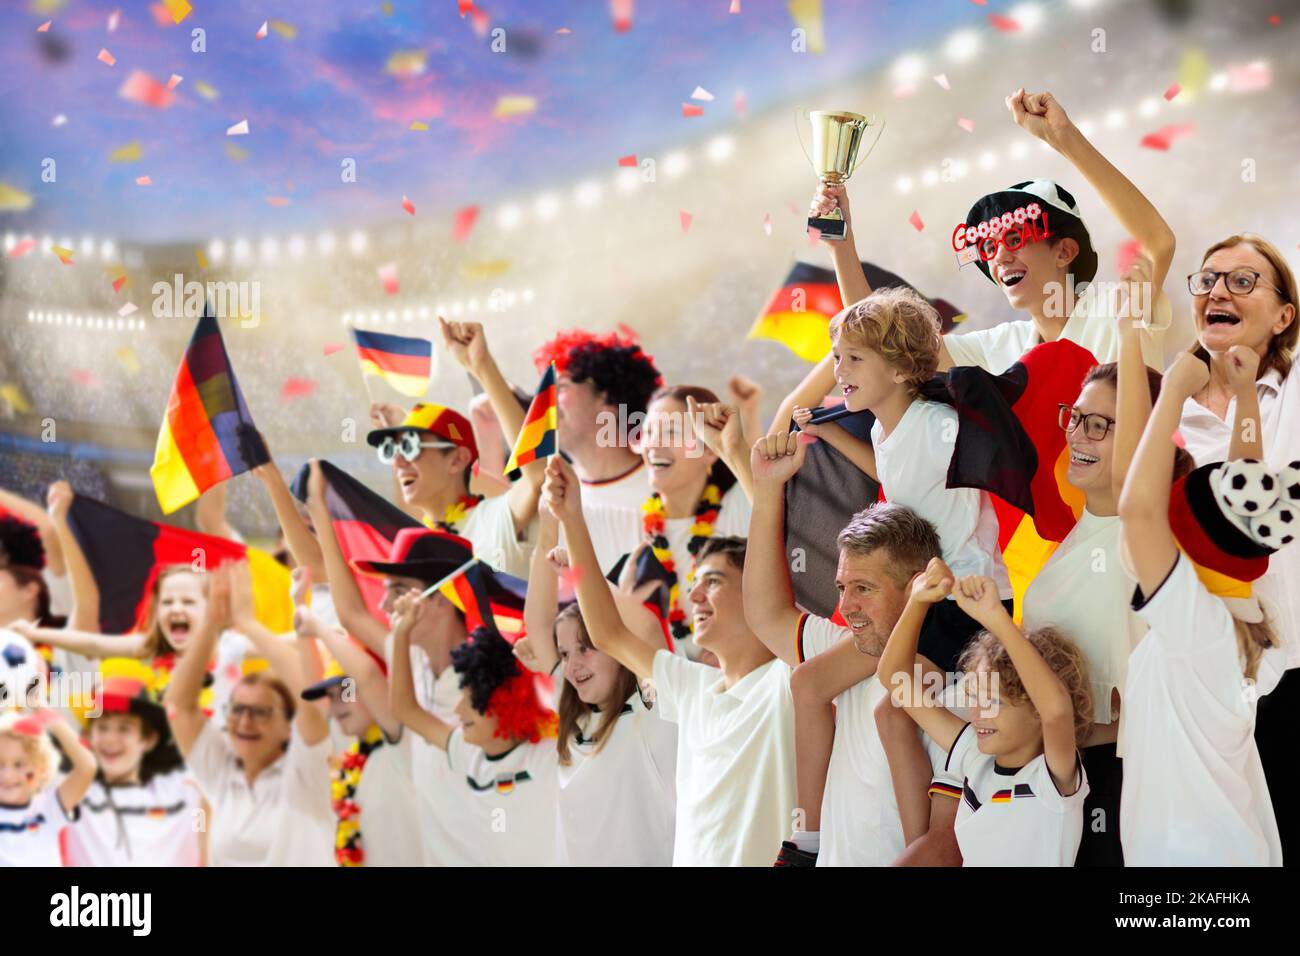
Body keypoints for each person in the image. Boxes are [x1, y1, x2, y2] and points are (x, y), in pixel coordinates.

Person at [785, 88, 1174, 436]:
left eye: (1015, 239)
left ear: (1065, 251)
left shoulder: (1115, 308)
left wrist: (1064, 139)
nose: (1000, 257)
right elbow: (881, 342)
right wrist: (842, 244)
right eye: (987, 248)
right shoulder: (1001, 346)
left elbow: (1158, 242)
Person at [1019, 251, 1192, 865]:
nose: (1078, 435)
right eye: (1076, 418)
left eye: (1102, 426)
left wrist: (1129, 329)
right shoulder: (1064, 545)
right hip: (1060, 784)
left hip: (1130, 785)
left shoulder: (1149, 541)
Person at [544, 455, 795, 866]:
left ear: (757, 590)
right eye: (694, 584)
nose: (694, 596)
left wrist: (744, 462)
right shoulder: (691, 686)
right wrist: (571, 518)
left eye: (712, 582)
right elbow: (608, 633)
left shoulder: (788, 681)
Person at [1118, 350, 1291, 865]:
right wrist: (1243, 398)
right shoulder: (1248, 621)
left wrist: (1172, 390)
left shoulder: (1195, 627)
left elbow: (1135, 510)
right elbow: (1244, 500)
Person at [745, 430, 947, 867]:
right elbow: (764, 614)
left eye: (863, 588)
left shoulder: (961, 682)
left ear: (917, 586)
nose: (846, 606)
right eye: (842, 587)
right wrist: (766, 491)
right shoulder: (850, 649)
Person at [1172, 233, 1299, 856]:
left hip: (1290, 660)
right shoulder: (1162, 405)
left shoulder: (1295, 390)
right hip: (1195, 672)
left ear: (1283, 315)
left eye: (1242, 281)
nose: (1218, 291)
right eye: (1207, 280)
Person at [882, 557, 1094, 866]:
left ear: (1036, 710)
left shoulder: (1051, 780)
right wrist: (917, 601)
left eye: (994, 701)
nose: (977, 712)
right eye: (975, 696)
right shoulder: (973, 754)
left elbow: (1057, 710)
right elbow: (894, 677)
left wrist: (997, 620)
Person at [516, 508, 677, 866]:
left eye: (585, 649)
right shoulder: (576, 717)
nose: (572, 666)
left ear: (618, 648)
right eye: (564, 653)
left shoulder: (653, 711)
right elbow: (538, 625)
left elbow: (647, 630)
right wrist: (547, 526)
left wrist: (579, 573)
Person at [165, 561, 335, 867]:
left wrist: (249, 625)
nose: (245, 722)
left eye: (261, 712)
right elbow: (179, 705)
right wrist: (212, 623)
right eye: (239, 709)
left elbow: (312, 698)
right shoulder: (222, 772)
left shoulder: (305, 771)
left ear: (288, 727)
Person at [389, 594, 558, 867]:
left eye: (470, 700)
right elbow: (404, 710)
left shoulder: (546, 758)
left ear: (506, 701)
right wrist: (400, 633)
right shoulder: (470, 755)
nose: (458, 710)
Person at [585, 386, 753, 658]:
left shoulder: (739, 509)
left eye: (671, 432)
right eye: (649, 432)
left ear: (708, 449)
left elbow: (771, 499)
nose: (654, 444)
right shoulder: (623, 525)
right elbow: (542, 497)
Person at [292, 568, 421, 867]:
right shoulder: (352, 751)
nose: (338, 705)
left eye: (346, 692)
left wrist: (319, 628)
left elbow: (367, 677)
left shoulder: (401, 739)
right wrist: (300, 610)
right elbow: (316, 693)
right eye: (333, 696)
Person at [531, 328, 663, 571]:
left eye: (561, 387)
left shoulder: (668, 483)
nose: (543, 401)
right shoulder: (550, 498)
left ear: (606, 397)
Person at [366, 397, 540, 580]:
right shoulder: (419, 549)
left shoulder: (491, 519)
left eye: (410, 447)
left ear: (457, 459)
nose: (397, 462)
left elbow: (535, 477)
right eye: (391, 451)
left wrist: (488, 373)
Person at [63, 659, 205, 867]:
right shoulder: (72, 795)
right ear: (88, 736)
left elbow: (202, 825)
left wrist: (202, 823)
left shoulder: (182, 791)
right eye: (102, 727)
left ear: (149, 740)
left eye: (124, 729)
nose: (111, 739)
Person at [0, 709, 97, 867]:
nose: (7, 775)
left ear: (41, 769)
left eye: (19, 765)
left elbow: (87, 767)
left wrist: (56, 723)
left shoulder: (49, 807)